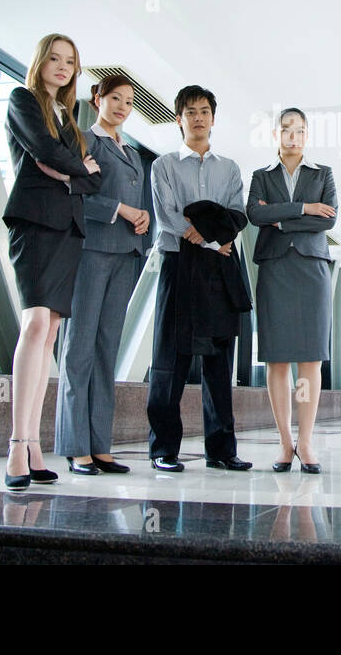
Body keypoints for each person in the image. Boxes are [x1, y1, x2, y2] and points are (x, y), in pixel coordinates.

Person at [1, 33, 102, 491]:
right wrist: (71, 168)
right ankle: (17, 443)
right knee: (36, 324)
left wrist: (68, 170)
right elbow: (44, 152)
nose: (63, 67)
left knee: (50, 334)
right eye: (56, 59)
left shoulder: (72, 119)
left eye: (71, 62)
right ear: (40, 61)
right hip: (36, 222)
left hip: (68, 230)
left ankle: (34, 445)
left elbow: (90, 181)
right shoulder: (24, 100)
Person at [145, 85, 253, 472]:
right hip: (179, 264)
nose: (198, 117)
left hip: (219, 270)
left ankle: (222, 451)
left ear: (213, 117)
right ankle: (163, 450)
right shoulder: (164, 166)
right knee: (171, 359)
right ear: (179, 118)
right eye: (190, 111)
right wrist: (210, 237)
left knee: (219, 364)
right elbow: (168, 216)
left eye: (204, 111)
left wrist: (207, 231)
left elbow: (236, 214)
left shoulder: (230, 168)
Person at [52, 73, 151, 476]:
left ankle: (100, 444)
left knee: (107, 348)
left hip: (126, 254)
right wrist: (121, 211)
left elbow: (133, 198)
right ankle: (76, 447)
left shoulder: (130, 151)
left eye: (129, 101)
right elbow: (76, 194)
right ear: (98, 99)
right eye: (115, 98)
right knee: (80, 348)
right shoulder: (84, 140)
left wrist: (142, 216)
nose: (122, 106)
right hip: (93, 251)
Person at [246, 108, 338, 474]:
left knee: (309, 358)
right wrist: (304, 209)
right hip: (275, 269)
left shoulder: (323, 174)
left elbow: (329, 218)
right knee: (278, 358)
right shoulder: (261, 176)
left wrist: (279, 216)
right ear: (276, 134)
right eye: (287, 130)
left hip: (311, 269)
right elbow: (255, 214)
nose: (293, 136)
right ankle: (285, 442)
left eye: (300, 130)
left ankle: (307, 441)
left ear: (307, 135)